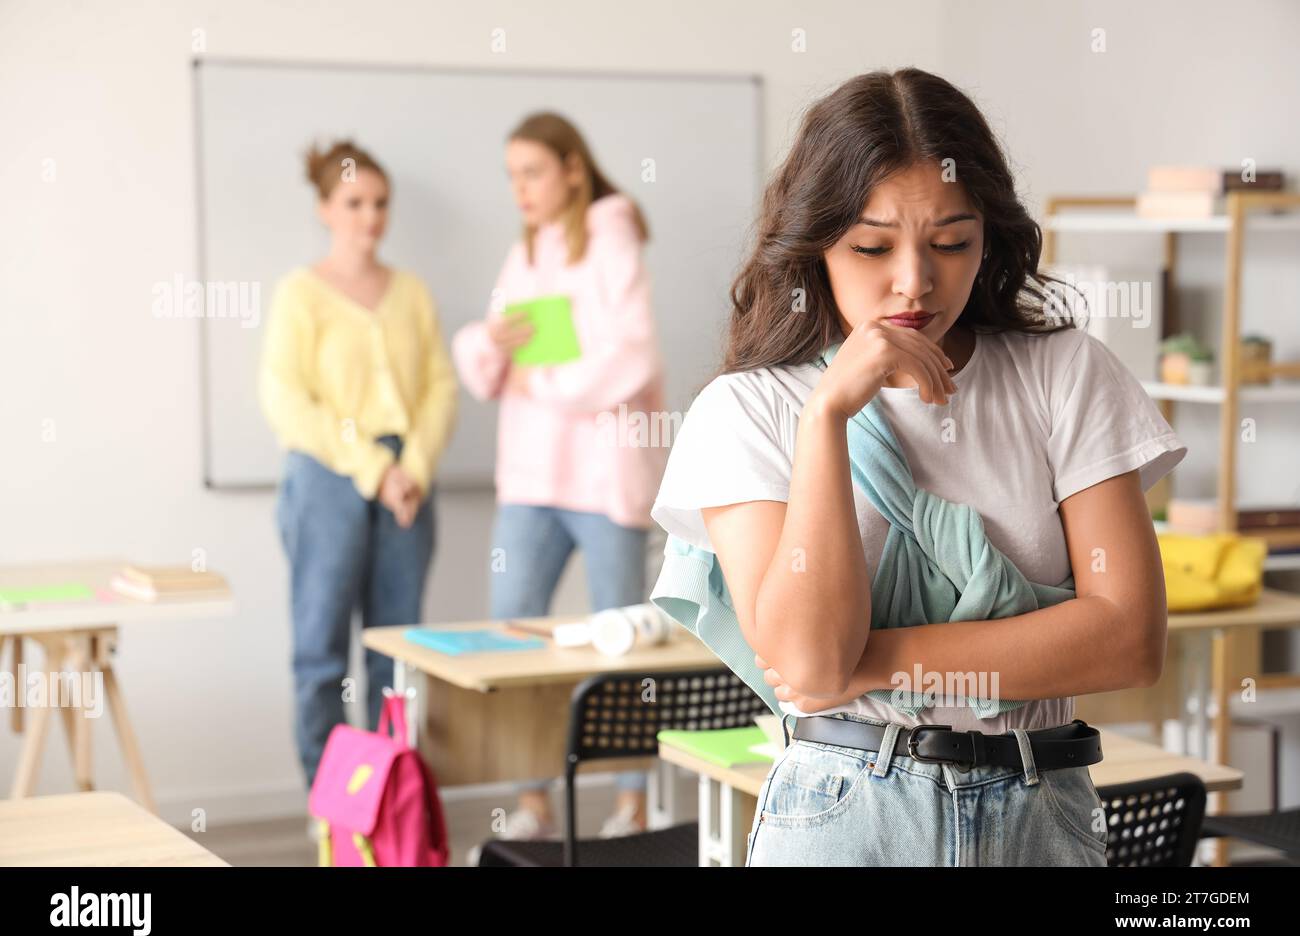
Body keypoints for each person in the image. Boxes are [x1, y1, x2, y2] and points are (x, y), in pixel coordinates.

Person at [650, 68, 1188, 866]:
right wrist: (827, 418)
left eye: (951, 243)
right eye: (872, 247)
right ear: (816, 243)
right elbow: (805, 657)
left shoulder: (1067, 373)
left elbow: (1128, 642)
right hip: (845, 811)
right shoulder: (749, 409)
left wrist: (873, 661)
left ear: (989, 237)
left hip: (1041, 808)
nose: (915, 281)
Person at [452, 113, 667, 846]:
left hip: (603, 480)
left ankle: (633, 803)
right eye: (512, 176)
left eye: (533, 173)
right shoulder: (527, 250)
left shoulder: (613, 232)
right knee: (514, 633)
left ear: (573, 168)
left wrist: (539, 378)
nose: (521, 190)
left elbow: (631, 357)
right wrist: (490, 342)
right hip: (532, 479)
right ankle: (535, 803)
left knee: (625, 641)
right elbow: (484, 363)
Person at [261, 140, 457, 791]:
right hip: (327, 477)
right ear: (324, 207)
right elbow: (286, 399)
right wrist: (374, 468)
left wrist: (415, 469)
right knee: (320, 650)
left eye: (379, 203)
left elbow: (439, 387)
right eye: (354, 203)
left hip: (409, 480)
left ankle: (386, 796)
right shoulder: (300, 294)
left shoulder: (412, 293)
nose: (369, 216)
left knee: (395, 651)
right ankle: (330, 801)